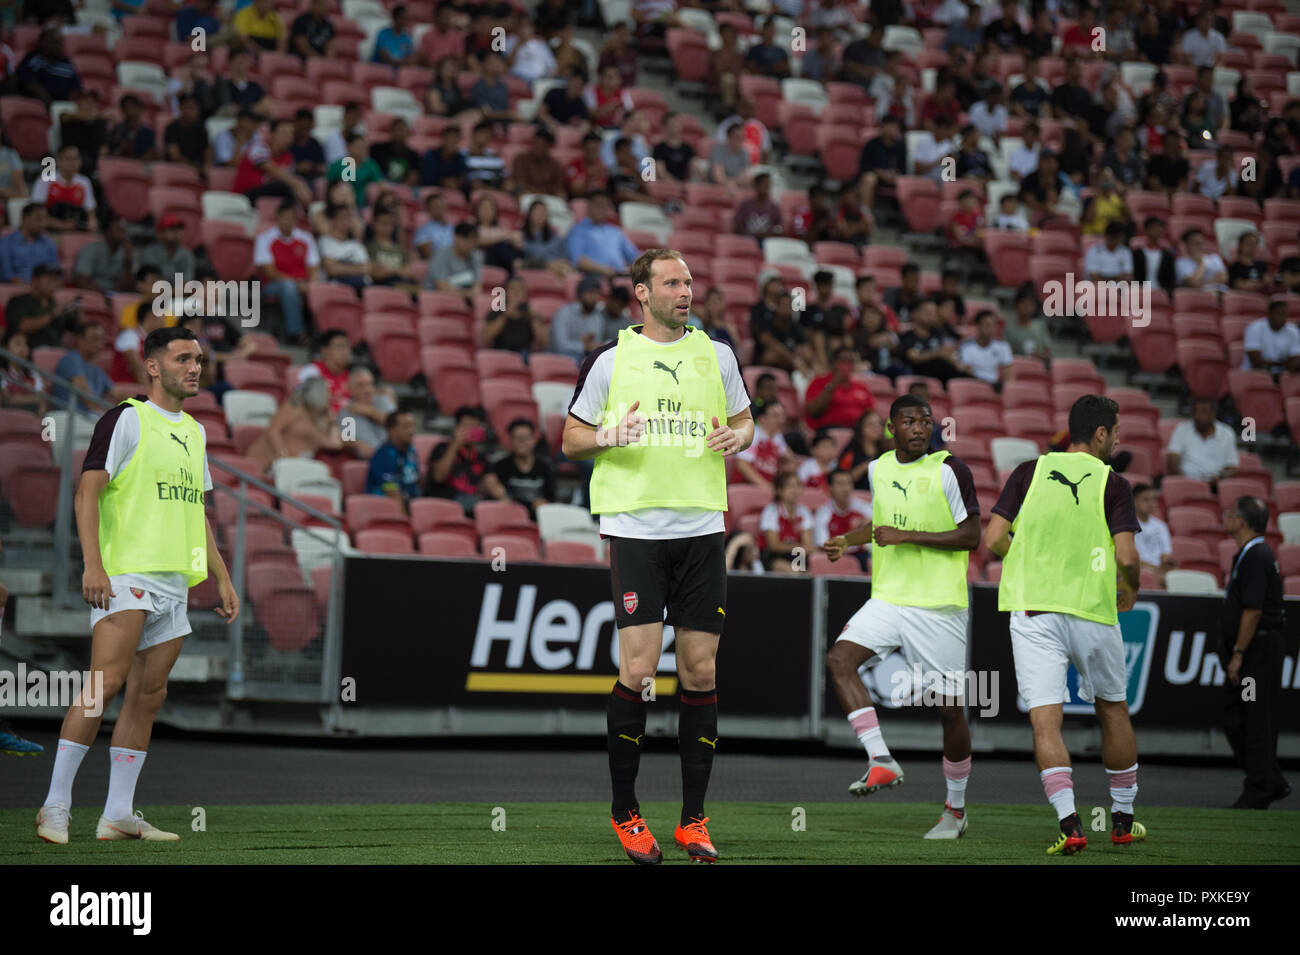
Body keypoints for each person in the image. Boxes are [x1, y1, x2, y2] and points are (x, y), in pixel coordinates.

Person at [562, 248, 754, 865]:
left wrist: (737, 436)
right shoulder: (610, 360)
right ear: (641, 293)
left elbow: (746, 421)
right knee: (640, 672)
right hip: (637, 527)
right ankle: (626, 813)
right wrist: (608, 436)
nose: (686, 291)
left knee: (701, 674)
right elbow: (570, 438)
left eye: (690, 281)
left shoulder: (717, 353)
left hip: (702, 525)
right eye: (672, 282)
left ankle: (693, 821)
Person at [34, 326, 238, 846]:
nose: (195, 368)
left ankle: (117, 815)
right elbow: (87, 492)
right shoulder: (126, 418)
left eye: (199, 359)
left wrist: (221, 574)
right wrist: (93, 565)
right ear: (153, 365)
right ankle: (54, 807)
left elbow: (198, 512)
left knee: (149, 696)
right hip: (127, 575)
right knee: (104, 685)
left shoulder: (195, 431)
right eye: (183, 358)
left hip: (174, 582)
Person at [984, 394, 1145, 856]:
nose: (1118, 439)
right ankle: (1122, 821)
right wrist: (1130, 587)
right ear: (1099, 434)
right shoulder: (1113, 483)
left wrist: (1032, 562)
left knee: (1045, 721)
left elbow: (994, 538)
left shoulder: (1027, 472)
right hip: (1092, 610)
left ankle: (1071, 824)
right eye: (1115, 432)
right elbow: (1128, 556)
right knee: (1112, 709)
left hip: (1034, 611)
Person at [823, 394, 980, 838]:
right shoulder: (877, 469)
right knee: (838, 660)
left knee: (949, 713)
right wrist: (849, 540)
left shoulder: (951, 470)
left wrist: (908, 535)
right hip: (889, 598)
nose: (918, 427)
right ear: (891, 428)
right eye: (908, 421)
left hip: (939, 607)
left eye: (925, 421)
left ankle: (956, 810)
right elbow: (881, 526)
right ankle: (880, 760)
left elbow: (972, 535)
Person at [1219, 496, 1291, 809]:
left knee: (1252, 715)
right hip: (1255, 652)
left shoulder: (1256, 556)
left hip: (1256, 654)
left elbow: (1252, 611)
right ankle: (1269, 778)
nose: (1226, 516)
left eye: (1232, 513)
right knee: (1236, 714)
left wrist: (1238, 653)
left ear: (1243, 521)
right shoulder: (1251, 554)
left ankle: (1260, 785)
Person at [254, 200, 320, 344]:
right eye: (285, 217)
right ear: (278, 217)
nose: (288, 221)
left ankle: (320, 332)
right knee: (288, 286)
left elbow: (313, 268)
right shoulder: (265, 238)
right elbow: (269, 271)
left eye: (292, 217)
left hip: (302, 283)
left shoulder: (306, 239)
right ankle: (296, 333)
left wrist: (312, 285)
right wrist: (296, 283)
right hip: (273, 285)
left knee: (321, 288)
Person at [246, 376, 344, 472]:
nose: (329, 396)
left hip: (297, 468)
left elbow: (335, 444)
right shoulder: (295, 406)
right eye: (326, 393)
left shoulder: (321, 418)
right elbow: (273, 430)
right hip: (272, 463)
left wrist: (333, 421)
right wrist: (283, 455)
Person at [51, 321, 133, 409]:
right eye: (94, 339)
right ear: (80, 340)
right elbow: (86, 397)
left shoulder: (97, 369)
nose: (99, 344)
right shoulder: (71, 360)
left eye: (102, 339)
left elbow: (117, 394)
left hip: (87, 417)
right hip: (68, 415)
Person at [424, 405, 488, 516]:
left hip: (471, 510)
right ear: (456, 428)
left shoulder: (481, 457)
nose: (470, 431)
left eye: (474, 427)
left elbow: (491, 482)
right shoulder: (441, 448)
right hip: (443, 507)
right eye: (466, 426)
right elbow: (439, 477)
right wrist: (455, 444)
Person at [483, 418, 555, 516]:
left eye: (525, 437)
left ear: (534, 440)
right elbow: (501, 497)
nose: (522, 442)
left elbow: (551, 499)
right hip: (509, 517)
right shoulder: (500, 465)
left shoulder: (545, 466)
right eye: (517, 438)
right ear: (511, 440)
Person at [1165, 395, 1239, 483]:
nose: (1198, 416)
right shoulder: (1181, 429)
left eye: (1203, 412)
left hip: (1216, 485)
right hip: (1186, 483)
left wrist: (1220, 479)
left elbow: (1231, 467)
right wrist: (1185, 482)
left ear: (1213, 413)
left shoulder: (1227, 433)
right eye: (1195, 412)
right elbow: (1172, 463)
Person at [814, 467, 873, 572]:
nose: (845, 488)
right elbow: (822, 545)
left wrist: (868, 523)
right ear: (830, 488)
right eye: (840, 484)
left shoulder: (862, 507)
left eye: (848, 483)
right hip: (835, 557)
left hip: (861, 556)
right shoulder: (823, 514)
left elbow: (880, 524)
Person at [566, 194, 639, 277]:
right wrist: (605, 270)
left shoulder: (615, 231)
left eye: (605, 206)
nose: (602, 209)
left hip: (620, 276)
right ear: (589, 206)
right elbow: (578, 260)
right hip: (593, 276)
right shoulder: (578, 231)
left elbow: (635, 256)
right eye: (598, 205)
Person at [804, 346, 876, 430]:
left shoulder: (861, 387)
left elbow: (871, 414)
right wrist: (832, 384)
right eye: (843, 360)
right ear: (833, 363)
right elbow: (812, 411)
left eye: (850, 361)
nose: (847, 364)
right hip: (828, 430)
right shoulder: (818, 382)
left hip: (857, 432)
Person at [30, 144, 96, 233]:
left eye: (75, 159)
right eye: (68, 159)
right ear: (58, 160)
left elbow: (91, 213)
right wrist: (61, 225)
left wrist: (91, 225)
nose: (72, 163)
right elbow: (36, 213)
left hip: (76, 231)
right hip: (49, 230)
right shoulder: (45, 180)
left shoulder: (85, 182)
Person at [7, 263, 72, 350]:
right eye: (49, 279)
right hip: (27, 354)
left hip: (55, 354)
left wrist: (78, 310)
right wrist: (52, 314)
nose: (53, 284)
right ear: (34, 280)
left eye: (55, 280)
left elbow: (79, 329)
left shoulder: (55, 305)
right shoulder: (18, 301)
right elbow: (21, 326)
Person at [364, 410, 420, 512]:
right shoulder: (385, 455)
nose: (411, 431)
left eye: (412, 426)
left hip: (410, 504)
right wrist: (405, 523)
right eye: (405, 427)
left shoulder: (411, 451)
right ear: (391, 431)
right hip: (383, 510)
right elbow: (391, 491)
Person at [733, 398, 792, 492]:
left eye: (782, 416)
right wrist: (767, 487)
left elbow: (790, 460)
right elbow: (742, 464)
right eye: (775, 416)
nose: (781, 420)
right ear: (762, 419)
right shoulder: (753, 434)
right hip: (747, 488)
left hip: (766, 489)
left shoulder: (778, 437)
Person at [759, 472, 814, 572]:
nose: (795, 490)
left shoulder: (804, 512)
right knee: (794, 573)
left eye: (798, 485)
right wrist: (800, 546)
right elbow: (774, 545)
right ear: (779, 490)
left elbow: (807, 544)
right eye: (790, 486)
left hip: (797, 554)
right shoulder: (771, 511)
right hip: (774, 556)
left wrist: (801, 547)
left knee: (808, 574)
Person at [340, 366, 396, 459]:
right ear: (350, 389)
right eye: (360, 385)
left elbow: (397, 426)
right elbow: (346, 439)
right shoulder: (347, 413)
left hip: (394, 455)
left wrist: (370, 412)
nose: (367, 390)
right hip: (368, 462)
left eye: (369, 384)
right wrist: (356, 444)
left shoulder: (383, 401)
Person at [551, 274, 609, 362]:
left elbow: (595, 346)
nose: (595, 297)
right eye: (591, 292)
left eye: (597, 293)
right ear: (581, 294)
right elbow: (560, 346)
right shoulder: (564, 313)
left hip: (586, 361)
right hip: (560, 360)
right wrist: (584, 347)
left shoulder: (598, 318)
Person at [73, 215, 135, 296]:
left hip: (114, 296)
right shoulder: (90, 249)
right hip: (93, 294)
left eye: (124, 229)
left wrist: (128, 260)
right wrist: (103, 295)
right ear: (107, 231)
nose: (123, 232)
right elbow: (82, 281)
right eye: (118, 228)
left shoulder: (124, 253)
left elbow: (127, 286)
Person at [297, 329, 353, 416]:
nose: (345, 351)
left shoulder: (351, 376)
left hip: (346, 422)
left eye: (347, 347)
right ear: (324, 351)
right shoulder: (312, 371)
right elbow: (303, 402)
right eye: (340, 346)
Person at [425, 222, 483, 303]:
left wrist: (473, 293)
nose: (471, 244)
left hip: (464, 300)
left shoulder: (476, 256)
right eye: (467, 239)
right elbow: (441, 285)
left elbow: (477, 285)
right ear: (456, 237)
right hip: (439, 299)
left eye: (474, 240)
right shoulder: (441, 254)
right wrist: (466, 294)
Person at [1132, 483, 1175, 587]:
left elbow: (1166, 555)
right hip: (1137, 569)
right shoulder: (1127, 525)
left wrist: (1165, 566)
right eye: (1146, 500)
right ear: (1134, 501)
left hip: (1158, 570)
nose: (1151, 504)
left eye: (1153, 500)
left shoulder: (1161, 526)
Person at [1241, 300, 1300, 375]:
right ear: (1270, 314)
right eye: (1280, 314)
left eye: (1285, 315)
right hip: (1253, 373)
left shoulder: (1293, 330)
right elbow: (1256, 362)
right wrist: (1284, 363)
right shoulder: (1254, 328)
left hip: (1282, 375)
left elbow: (1296, 360)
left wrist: (1276, 364)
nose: (1283, 318)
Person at [958, 309, 1014, 388]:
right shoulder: (966, 347)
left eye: (993, 325)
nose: (991, 329)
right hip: (974, 385)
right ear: (978, 326)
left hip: (995, 386)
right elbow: (967, 372)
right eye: (987, 325)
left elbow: (1009, 374)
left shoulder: (1003, 346)